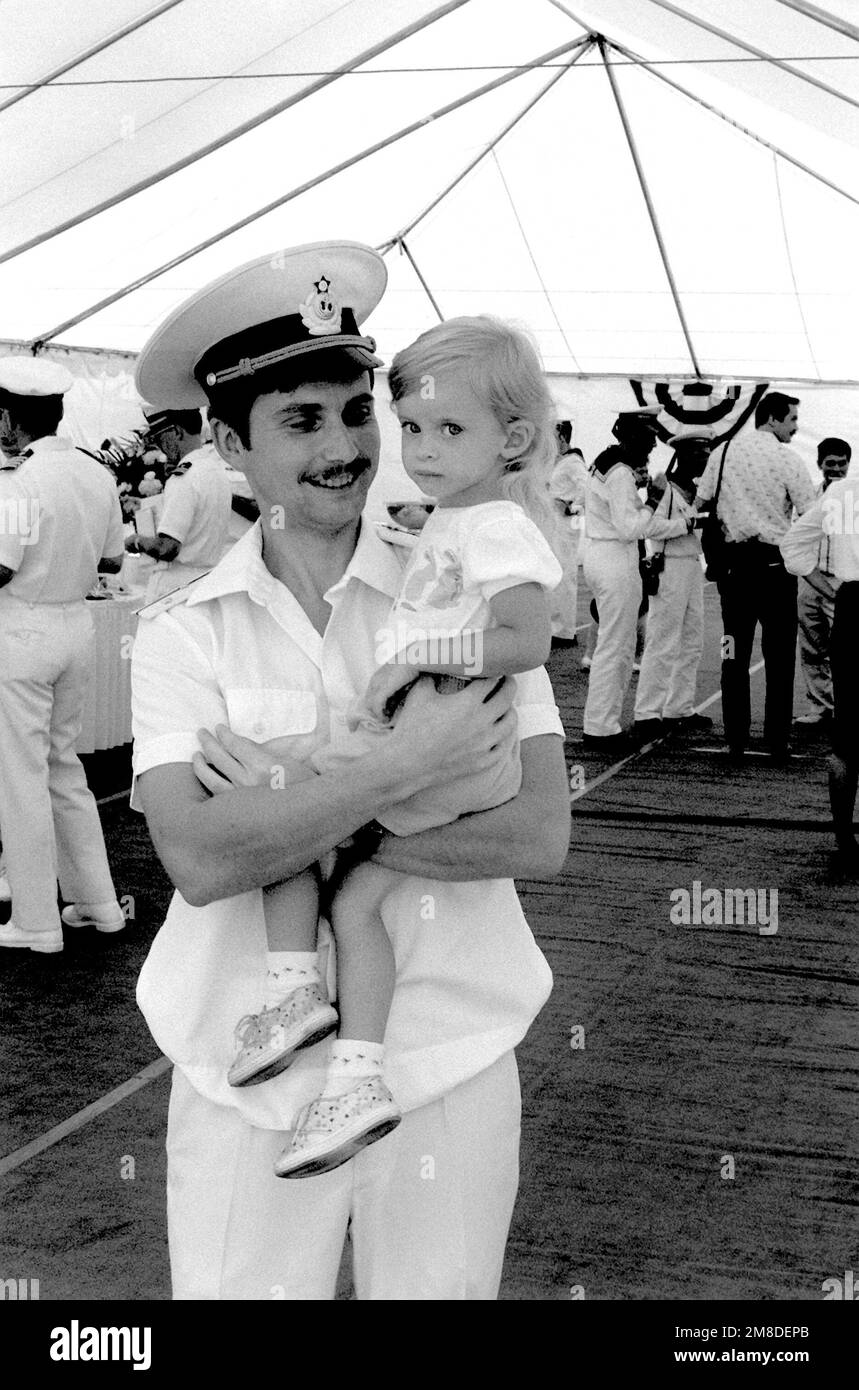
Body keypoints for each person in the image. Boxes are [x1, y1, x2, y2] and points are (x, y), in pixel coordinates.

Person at [130, 241, 571, 1298]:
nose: (345, 448)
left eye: (356, 411)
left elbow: (535, 832)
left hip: (442, 1059)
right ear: (229, 444)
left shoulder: (461, 577)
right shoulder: (181, 632)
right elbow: (196, 856)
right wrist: (408, 767)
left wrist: (287, 804)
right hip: (246, 1087)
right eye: (300, 421)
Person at [234, 314, 562, 1180]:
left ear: (513, 439)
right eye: (411, 427)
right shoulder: (457, 519)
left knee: (283, 819)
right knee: (357, 902)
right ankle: (355, 1073)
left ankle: (290, 992)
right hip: (440, 730)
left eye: (449, 430)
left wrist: (418, 655)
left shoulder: (493, 525)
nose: (420, 450)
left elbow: (530, 639)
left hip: (442, 723)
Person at [0, 356, 126, 953]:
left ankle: (36, 922)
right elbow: (112, 561)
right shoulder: (95, 474)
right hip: (76, 628)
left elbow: (1, 567)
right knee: (63, 770)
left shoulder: (18, 481)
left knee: (18, 780)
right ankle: (98, 903)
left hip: (21, 632)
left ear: (8, 419)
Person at [696, 391, 816, 763]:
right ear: (773, 419)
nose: (795, 428)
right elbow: (810, 514)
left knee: (732, 653)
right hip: (776, 573)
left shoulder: (724, 452)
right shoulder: (788, 459)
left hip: (734, 574)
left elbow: (701, 501)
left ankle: (735, 738)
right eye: (792, 420)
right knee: (779, 658)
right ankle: (777, 740)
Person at [581, 406, 691, 752]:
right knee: (618, 646)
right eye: (647, 439)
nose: (653, 446)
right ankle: (601, 727)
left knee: (615, 644)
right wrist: (658, 506)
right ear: (629, 436)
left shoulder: (604, 461)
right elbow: (630, 526)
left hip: (600, 554)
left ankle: (603, 722)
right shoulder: (621, 473)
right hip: (616, 556)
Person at [780, 470, 859, 873]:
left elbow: (793, 545)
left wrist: (834, 592)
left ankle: (845, 838)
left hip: (854, 606)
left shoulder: (840, 493)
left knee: (847, 734)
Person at [632, 425, 714, 741]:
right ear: (682, 454)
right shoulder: (664, 487)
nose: (704, 459)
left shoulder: (698, 488)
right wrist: (688, 524)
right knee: (663, 641)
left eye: (706, 453)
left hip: (693, 566)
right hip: (669, 565)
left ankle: (679, 707)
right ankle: (647, 713)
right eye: (698, 453)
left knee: (692, 640)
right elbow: (650, 529)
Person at [125, 407, 233, 601]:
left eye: (159, 438)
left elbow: (167, 547)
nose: (159, 447)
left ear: (176, 432)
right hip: (206, 583)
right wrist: (143, 506)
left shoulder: (183, 478)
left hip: (174, 589)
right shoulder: (216, 472)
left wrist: (136, 541)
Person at [794, 437, 851, 727]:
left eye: (842, 463)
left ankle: (846, 709)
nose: (837, 469)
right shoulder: (807, 498)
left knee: (845, 648)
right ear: (820, 465)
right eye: (831, 463)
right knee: (811, 645)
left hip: (843, 582)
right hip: (809, 578)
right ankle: (821, 706)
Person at [549, 428, 587, 643]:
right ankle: (556, 627)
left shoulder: (573, 462)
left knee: (564, 575)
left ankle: (564, 631)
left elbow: (586, 488)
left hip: (564, 523)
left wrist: (573, 507)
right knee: (555, 574)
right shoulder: (560, 461)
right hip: (553, 522)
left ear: (562, 437)